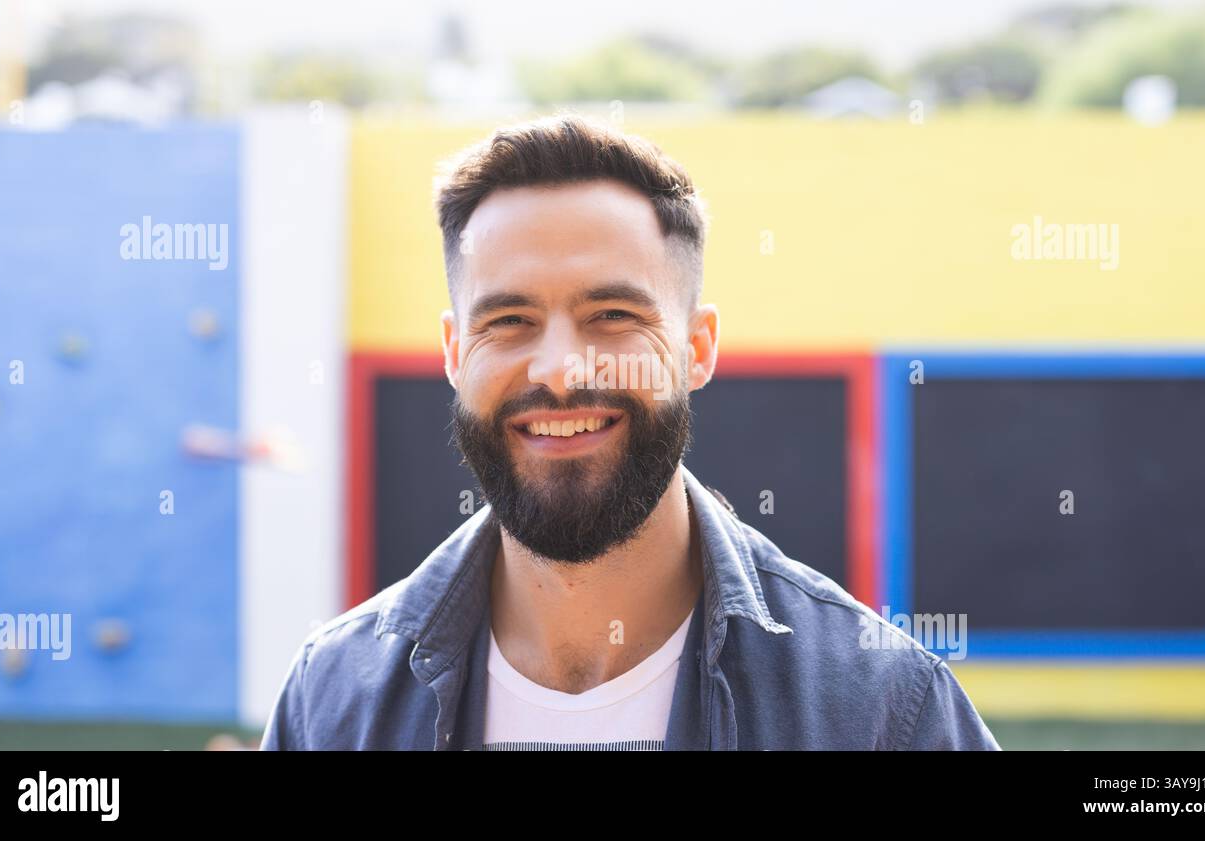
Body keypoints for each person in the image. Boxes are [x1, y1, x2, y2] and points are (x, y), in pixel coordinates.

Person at [261, 113, 1000, 750]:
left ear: (697, 348)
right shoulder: (330, 703)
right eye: (509, 321)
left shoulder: (880, 709)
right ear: (455, 353)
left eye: (612, 315)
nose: (558, 369)